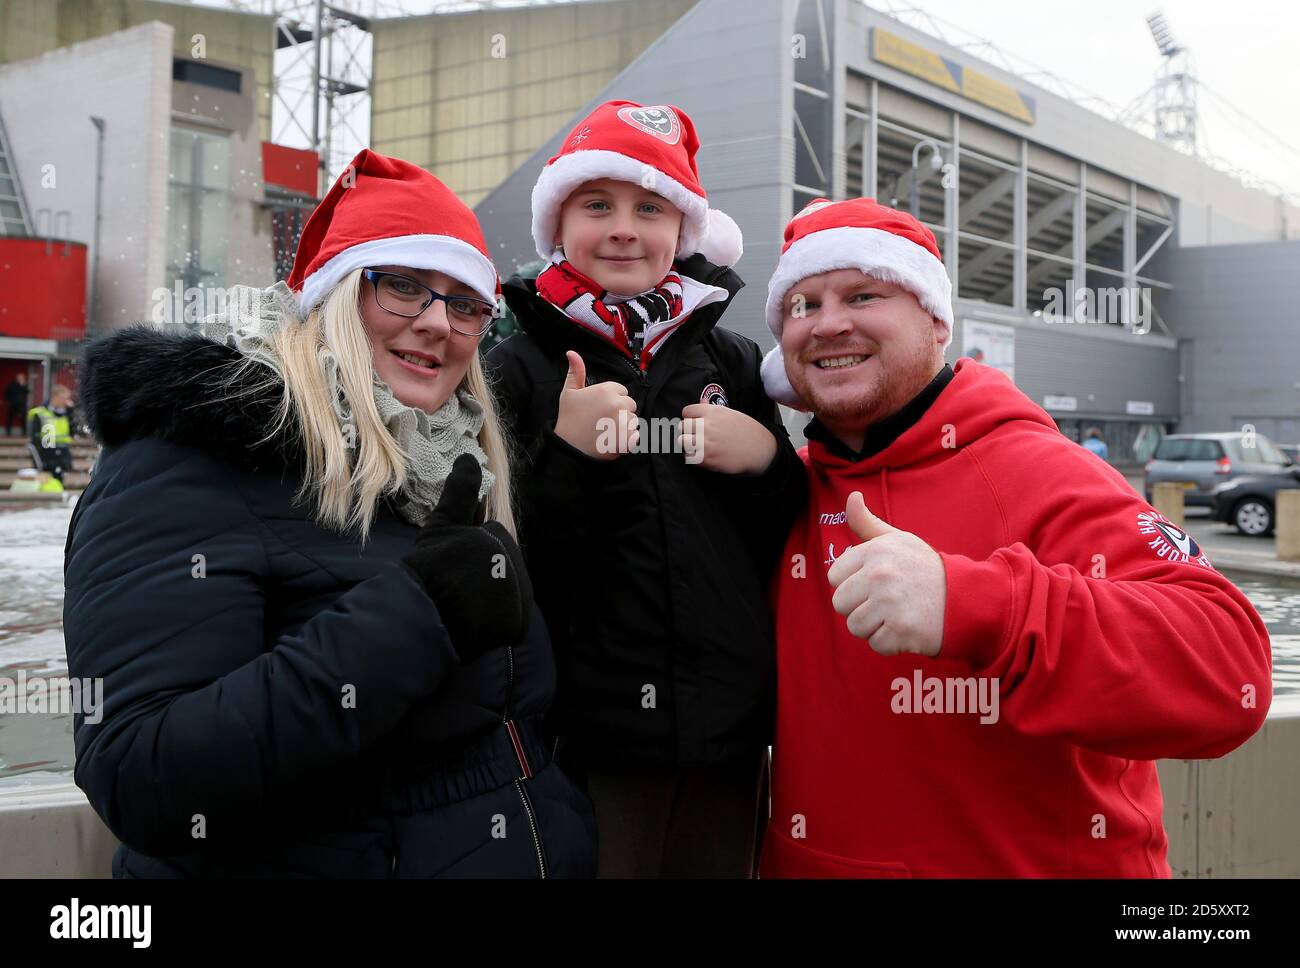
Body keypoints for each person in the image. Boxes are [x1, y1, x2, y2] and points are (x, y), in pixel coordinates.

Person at [64, 149, 596, 878]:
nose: (438, 323)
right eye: (403, 286)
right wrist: (419, 617)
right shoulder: (187, 462)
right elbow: (143, 778)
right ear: (333, 298)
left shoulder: (453, 465)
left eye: (465, 301)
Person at [757, 197, 1272, 877]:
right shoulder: (779, 493)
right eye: (803, 305)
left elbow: (1230, 673)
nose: (828, 324)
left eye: (863, 294)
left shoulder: (1037, 470)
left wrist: (982, 606)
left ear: (936, 320)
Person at [485, 101, 805, 878]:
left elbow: (784, 536)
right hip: (587, 734)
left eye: (649, 207)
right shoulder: (517, 363)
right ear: (557, 226)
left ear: (683, 231)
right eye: (597, 205)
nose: (624, 228)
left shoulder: (730, 358)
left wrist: (766, 459)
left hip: (728, 728)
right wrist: (567, 454)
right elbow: (501, 553)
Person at [28, 384, 75, 483]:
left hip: (62, 454)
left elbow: (73, 432)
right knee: (46, 485)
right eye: (64, 398)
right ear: (55, 396)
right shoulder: (39, 413)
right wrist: (38, 461)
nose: (66, 401)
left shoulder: (66, 413)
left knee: (59, 484)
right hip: (46, 454)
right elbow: (35, 439)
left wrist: (71, 412)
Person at [4, 371, 27, 436]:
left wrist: (23, 385)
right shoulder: (12, 385)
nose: (20, 379)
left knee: (23, 419)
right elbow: (7, 393)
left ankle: (24, 432)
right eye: (19, 378)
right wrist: (8, 402)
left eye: (22, 378)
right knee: (9, 419)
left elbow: (27, 392)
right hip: (12, 404)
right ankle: (8, 432)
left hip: (21, 405)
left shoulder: (24, 385)